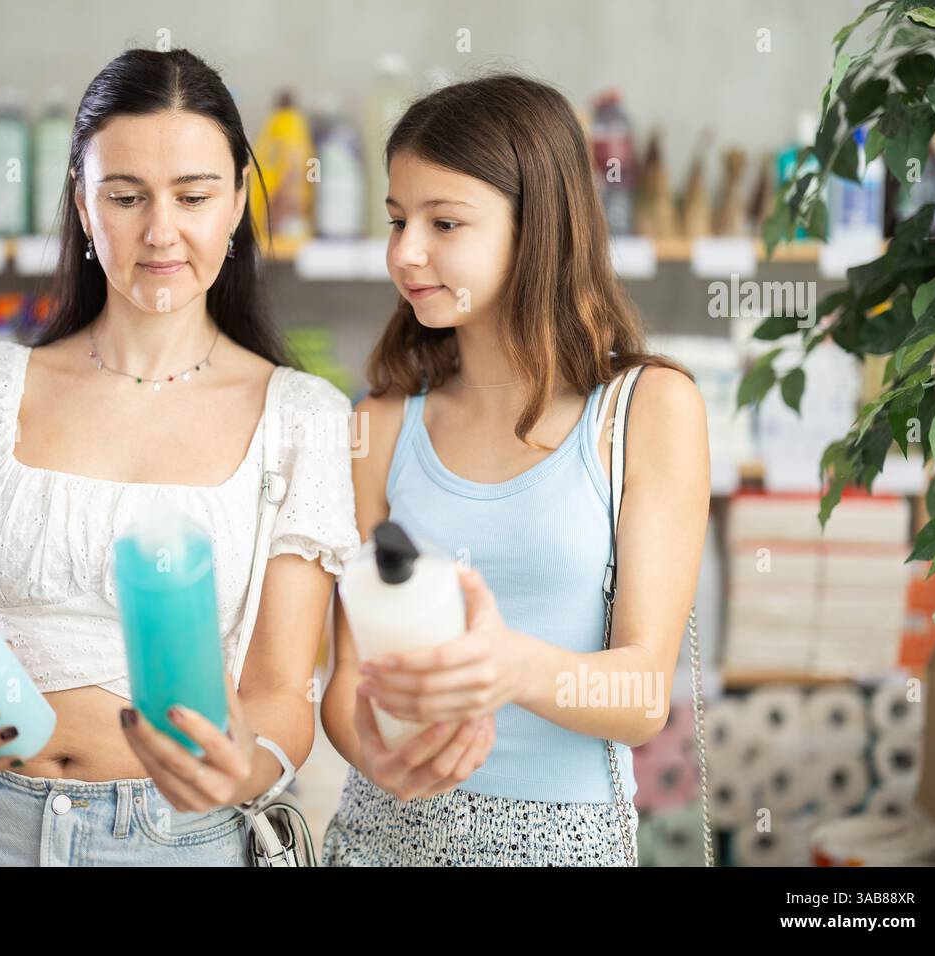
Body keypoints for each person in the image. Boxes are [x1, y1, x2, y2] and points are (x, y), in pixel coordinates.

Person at [0, 48, 359, 866]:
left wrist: (242, 770)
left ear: (238, 200)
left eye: (194, 195)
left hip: (177, 838)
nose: (161, 232)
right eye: (125, 196)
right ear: (81, 200)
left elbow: (284, 693)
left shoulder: (302, 418)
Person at [319, 73, 710, 866]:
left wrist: (509, 667)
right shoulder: (381, 426)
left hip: (563, 844)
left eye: (445, 222)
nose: (406, 252)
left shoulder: (648, 410)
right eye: (398, 221)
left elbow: (640, 698)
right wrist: (376, 753)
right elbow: (345, 680)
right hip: (379, 836)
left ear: (538, 228)